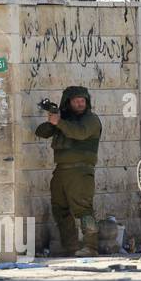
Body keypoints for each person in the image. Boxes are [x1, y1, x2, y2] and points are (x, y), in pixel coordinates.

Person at [35, 85, 102, 256]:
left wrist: (60, 122)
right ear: (68, 103)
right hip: (61, 171)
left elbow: (79, 133)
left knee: (83, 210)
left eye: (82, 101)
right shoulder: (64, 120)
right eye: (76, 101)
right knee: (60, 209)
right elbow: (41, 132)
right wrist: (53, 121)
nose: (80, 104)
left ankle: (91, 247)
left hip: (80, 172)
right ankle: (70, 247)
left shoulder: (91, 120)